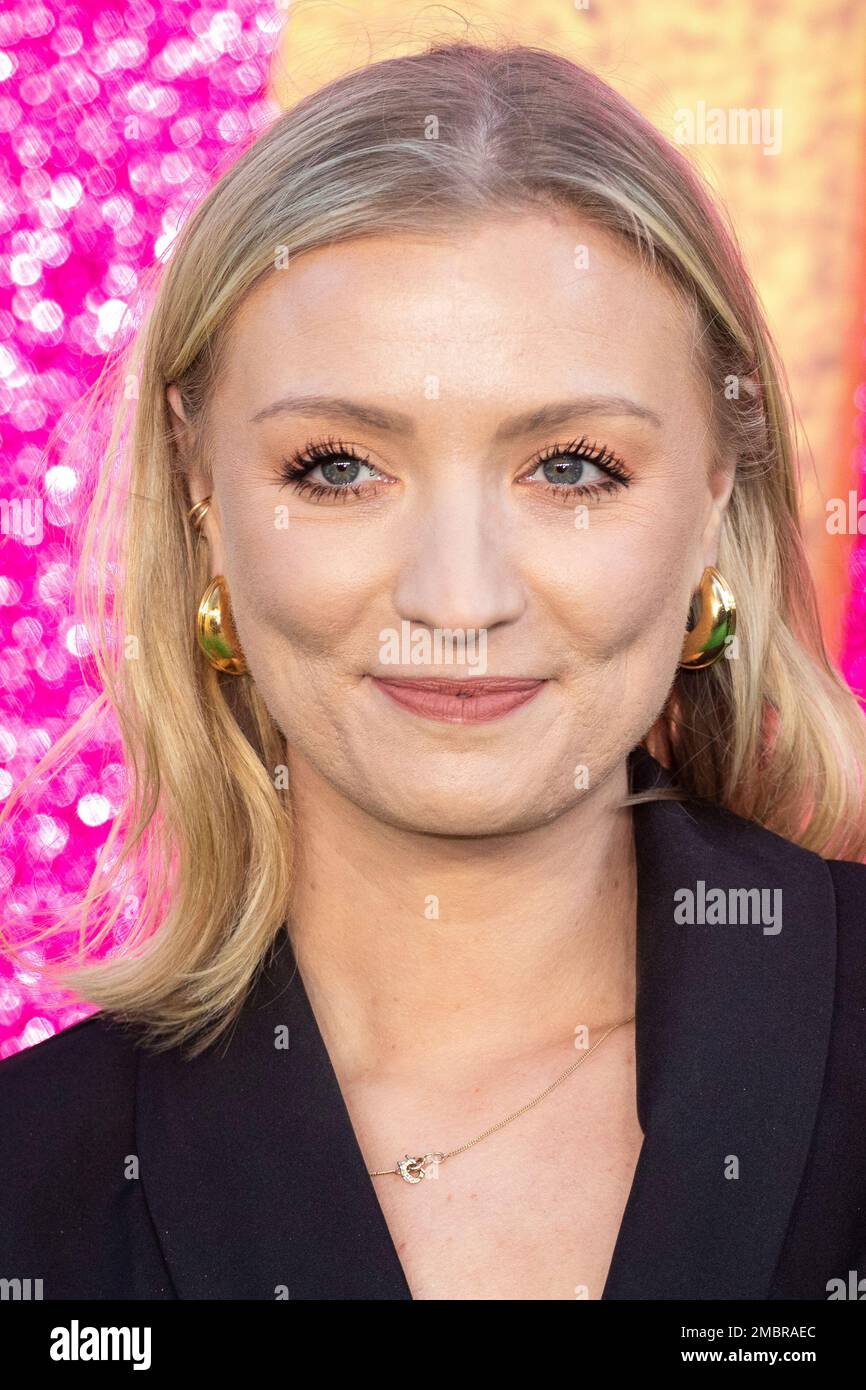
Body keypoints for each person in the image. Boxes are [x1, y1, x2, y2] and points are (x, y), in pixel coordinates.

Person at [1, 39, 865, 1302]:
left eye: (570, 466)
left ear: (711, 501)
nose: (457, 598)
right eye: (338, 466)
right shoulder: (31, 1183)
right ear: (200, 503)